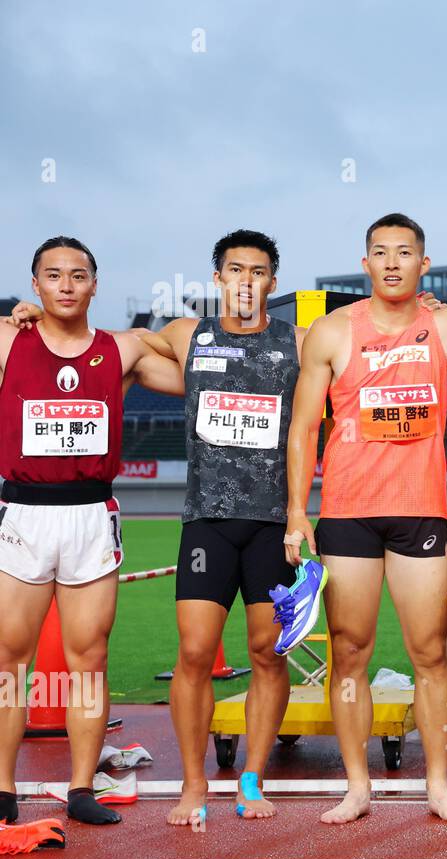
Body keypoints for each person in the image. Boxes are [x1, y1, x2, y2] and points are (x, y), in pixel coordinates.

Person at [285, 213, 447, 825]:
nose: (392, 262)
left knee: (429, 653)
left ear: (424, 263)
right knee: (349, 650)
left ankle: (438, 786)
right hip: (347, 514)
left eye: (404, 253)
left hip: (420, 511)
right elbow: (304, 428)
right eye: (380, 252)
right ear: (365, 263)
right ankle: (357, 785)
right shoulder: (332, 332)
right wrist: (295, 512)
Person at [0, 236, 182, 825]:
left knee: (89, 659)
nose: (67, 285)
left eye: (78, 275)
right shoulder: (8, 341)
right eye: (53, 276)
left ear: (95, 285)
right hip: (23, 514)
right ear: (36, 285)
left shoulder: (120, 350)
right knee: (8, 660)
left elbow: (194, 373)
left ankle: (81, 790)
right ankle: (3, 791)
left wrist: (168, 333)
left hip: (90, 517)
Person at [134, 230, 303, 826]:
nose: (246, 282)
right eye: (235, 270)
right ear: (218, 278)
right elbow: (118, 348)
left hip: (273, 527)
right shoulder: (188, 336)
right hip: (206, 522)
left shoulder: (297, 343)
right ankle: (194, 782)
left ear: (272, 283)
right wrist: (33, 317)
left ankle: (252, 779)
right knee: (196, 653)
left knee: (267, 654)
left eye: (258, 272)